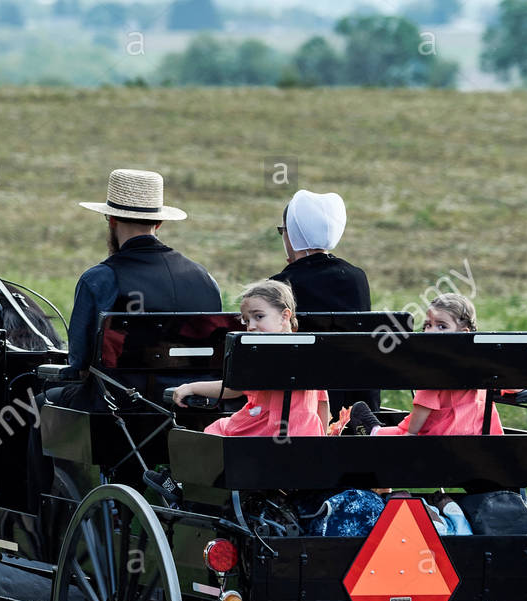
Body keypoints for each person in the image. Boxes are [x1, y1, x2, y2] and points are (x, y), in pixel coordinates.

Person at [26, 168, 221, 508]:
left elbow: (79, 363)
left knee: (42, 403)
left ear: (112, 220)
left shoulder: (100, 279)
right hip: (191, 411)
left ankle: (40, 509)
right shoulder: (204, 278)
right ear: (158, 224)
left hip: (118, 414)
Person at [172, 279, 329, 437]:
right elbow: (322, 402)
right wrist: (321, 440)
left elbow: (233, 388)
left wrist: (191, 387)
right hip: (304, 433)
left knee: (216, 430)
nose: (251, 326)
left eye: (259, 316)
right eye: (247, 320)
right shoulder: (312, 353)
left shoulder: (261, 354)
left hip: (264, 430)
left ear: (284, 316)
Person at [270, 189, 377, 413]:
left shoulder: (281, 285)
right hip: (356, 401)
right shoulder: (356, 278)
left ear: (293, 233)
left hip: (304, 406)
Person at [340, 293, 503, 437]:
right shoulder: (483, 363)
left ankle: (374, 432)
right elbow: (512, 388)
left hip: (438, 437)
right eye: (427, 325)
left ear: (464, 334)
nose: (431, 331)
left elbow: (422, 410)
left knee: (397, 432)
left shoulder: (434, 369)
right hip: (482, 437)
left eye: (441, 326)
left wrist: (411, 432)